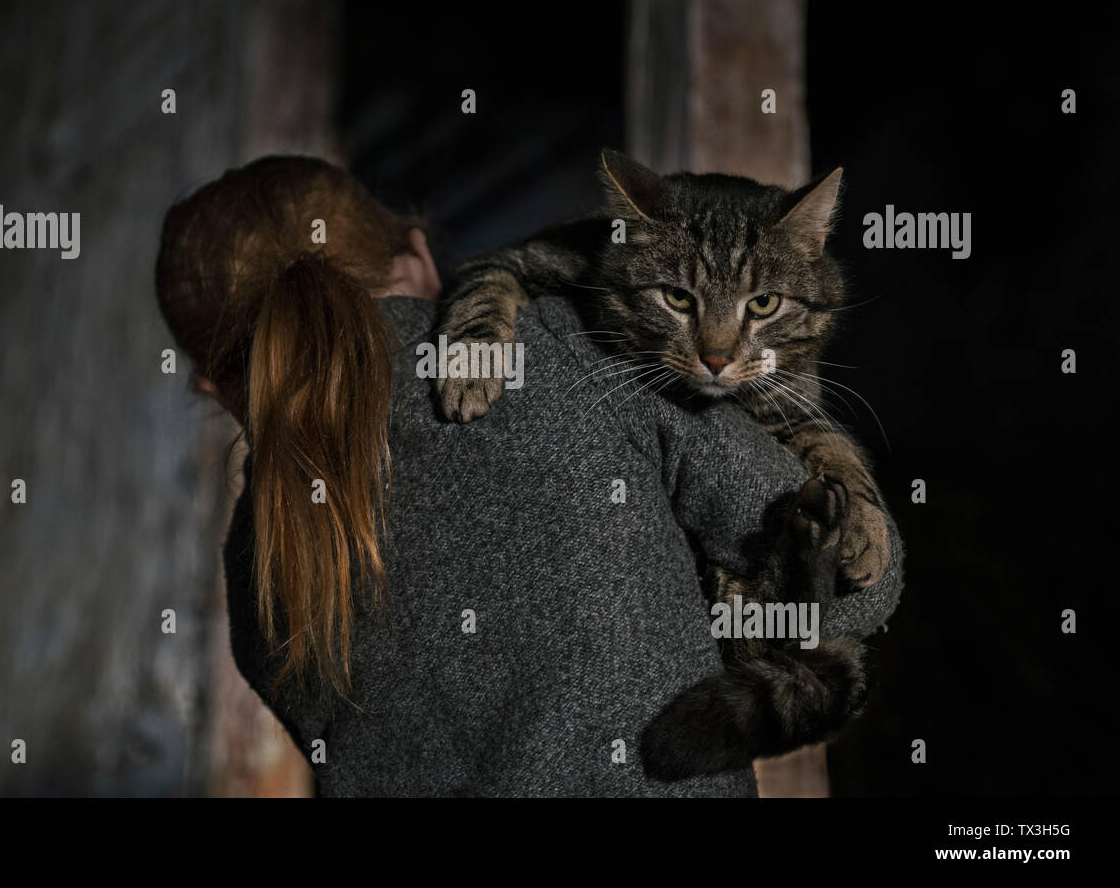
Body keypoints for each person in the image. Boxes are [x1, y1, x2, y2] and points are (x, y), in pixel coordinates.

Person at [154, 155, 903, 796]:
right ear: (418, 258)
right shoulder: (581, 354)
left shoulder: (255, 556)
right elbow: (859, 598)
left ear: (219, 389)